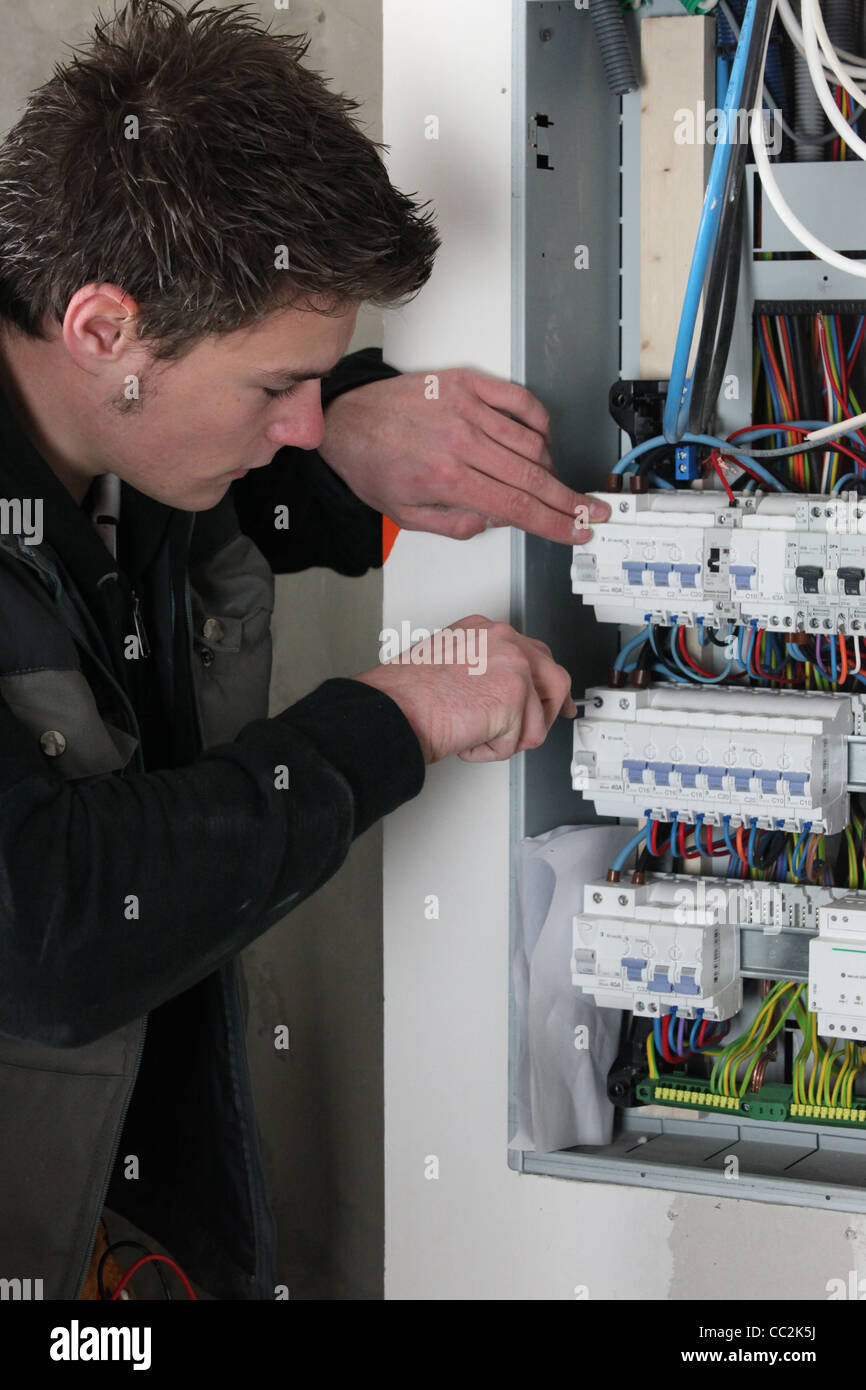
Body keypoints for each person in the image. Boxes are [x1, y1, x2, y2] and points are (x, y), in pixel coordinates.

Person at [0, 0, 609, 1299]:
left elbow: (157, 521)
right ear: (103, 329)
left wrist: (336, 444)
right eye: (275, 387)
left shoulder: (108, 428)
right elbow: (39, 931)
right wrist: (392, 719)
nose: (299, 422)